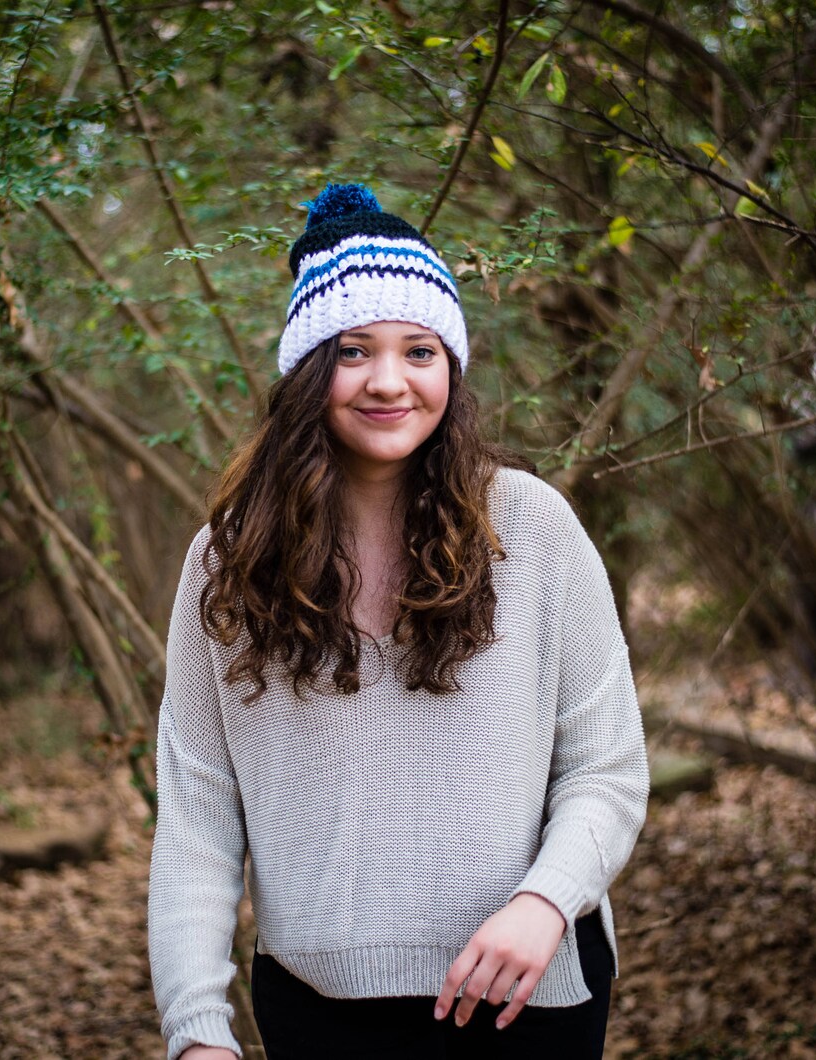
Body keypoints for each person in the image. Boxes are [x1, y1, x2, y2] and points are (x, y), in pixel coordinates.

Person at [146, 183, 649, 1060]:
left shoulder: (531, 529)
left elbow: (605, 769)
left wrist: (546, 901)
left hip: (526, 998)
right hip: (317, 1010)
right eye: (353, 352)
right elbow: (197, 814)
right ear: (309, 371)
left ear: (450, 366)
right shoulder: (227, 562)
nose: (390, 381)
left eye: (420, 350)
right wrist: (196, 1030)